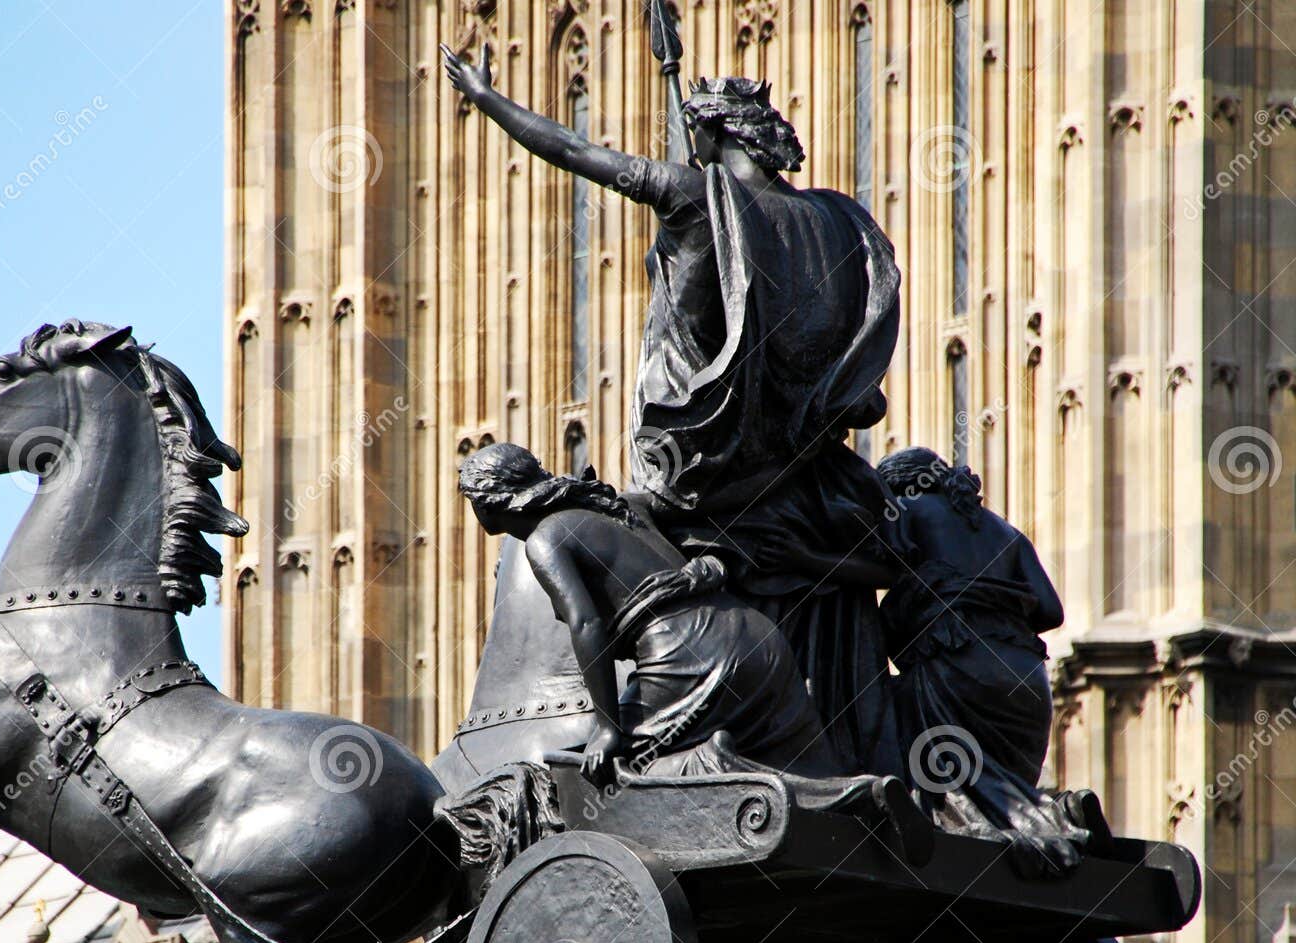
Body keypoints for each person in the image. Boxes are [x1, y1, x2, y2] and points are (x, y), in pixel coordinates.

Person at [442, 49, 907, 775]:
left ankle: (609, 729)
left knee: (587, 539)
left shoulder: (695, 197)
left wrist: (488, 98)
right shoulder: (842, 223)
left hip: (705, 476)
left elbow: (572, 150)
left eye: (697, 138)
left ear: (712, 137)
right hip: (808, 482)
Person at [457, 443, 836, 785]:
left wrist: (608, 729)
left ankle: (713, 763)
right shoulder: (623, 506)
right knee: (807, 768)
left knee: (599, 779)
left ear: (487, 503)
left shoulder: (545, 540)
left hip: (689, 659)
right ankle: (860, 800)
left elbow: (586, 624)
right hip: (756, 636)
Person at [877, 447, 1105, 875]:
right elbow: (1051, 612)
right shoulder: (1006, 533)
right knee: (1005, 787)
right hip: (1025, 682)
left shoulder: (907, 509)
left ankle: (1026, 825)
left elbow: (873, 566)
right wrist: (994, 596)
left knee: (894, 718)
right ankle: (1059, 814)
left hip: (958, 668)